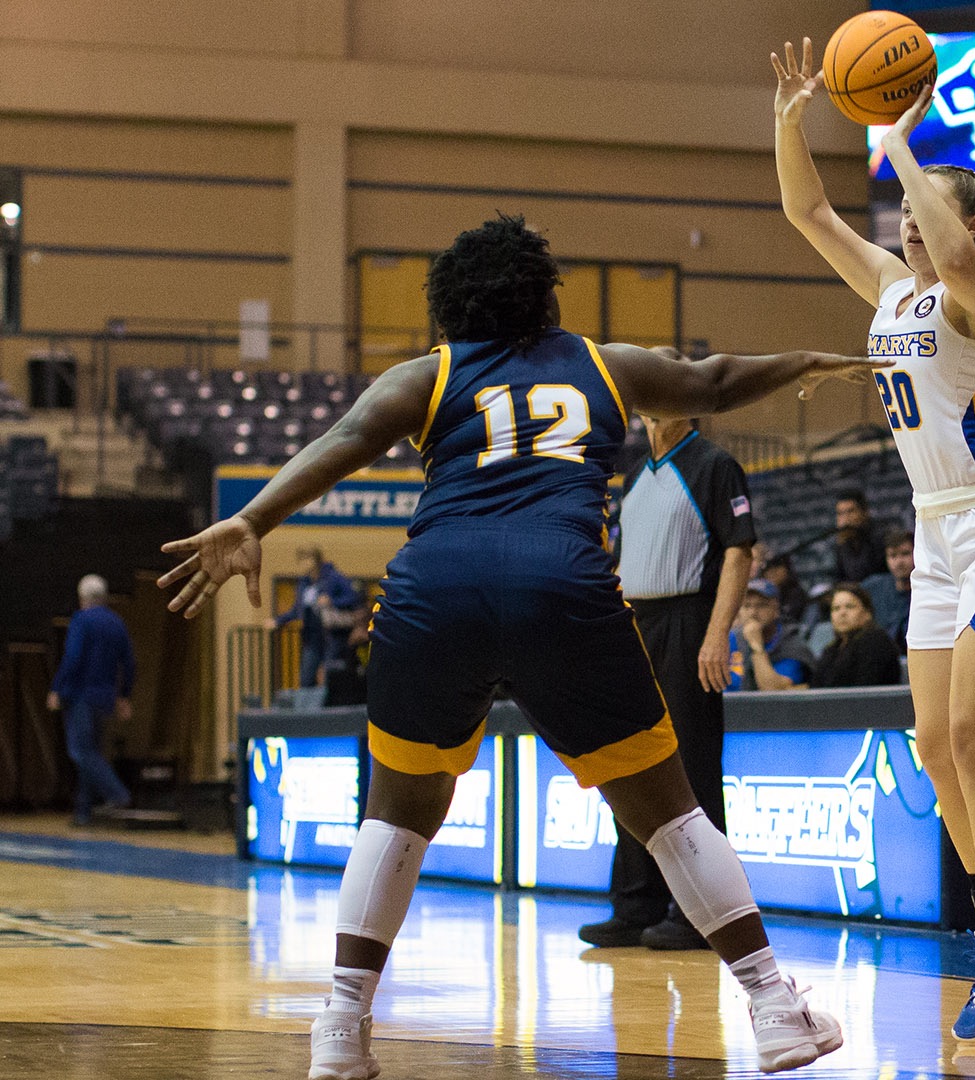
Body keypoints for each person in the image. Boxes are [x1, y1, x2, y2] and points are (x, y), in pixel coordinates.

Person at [157, 214, 868, 1076]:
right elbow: (712, 381)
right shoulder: (607, 363)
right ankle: (773, 1006)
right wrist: (808, 360)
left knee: (395, 816)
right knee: (670, 814)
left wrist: (250, 519)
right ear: (545, 295)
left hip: (434, 590)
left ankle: (340, 1028)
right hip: (560, 584)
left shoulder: (428, 374)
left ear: (449, 306)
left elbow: (341, 444)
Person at [774, 44, 975, 1040]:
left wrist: (897, 139)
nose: (904, 221)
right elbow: (808, 214)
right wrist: (791, 119)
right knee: (935, 748)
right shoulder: (894, 290)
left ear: (972, 226)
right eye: (900, 207)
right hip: (937, 532)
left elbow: (956, 261)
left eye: (924, 209)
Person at [582, 403, 757, 952]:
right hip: (636, 623)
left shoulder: (715, 464)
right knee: (630, 763)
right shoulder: (636, 472)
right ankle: (636, 905)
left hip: (689, 620)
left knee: (693, 769)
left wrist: (717, 633)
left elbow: (739, 553)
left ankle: (701, 913)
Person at [46, 574, 134, 825]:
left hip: (80, 695)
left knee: (80, 751)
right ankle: (83, 812)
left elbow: (73, 657)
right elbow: (129, 662)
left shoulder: (81, 620)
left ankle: (117, 794)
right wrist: (124, 695)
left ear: (82, 597)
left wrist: (57, 688)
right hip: (104, 698)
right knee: (91, 751)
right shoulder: (116, 622)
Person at [274, 545, 361, 687]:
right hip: (311, 637)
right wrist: (279, 621)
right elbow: (297, 609)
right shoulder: (304, 583)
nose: (303, 563)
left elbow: (353, 597)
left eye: (306, 559)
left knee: (329, 676)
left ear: (315, 559)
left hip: (332, 635)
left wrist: (332, 601)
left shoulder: (333, 577)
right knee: (306, 677)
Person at [729, 578, 814, 690]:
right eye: (747, 606)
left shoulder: (792, 645)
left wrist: (756, 646)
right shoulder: (730, 639)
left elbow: (772, 691)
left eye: (761, 605)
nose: (752, 612)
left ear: (776, 610)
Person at [812, 584, 904, 687]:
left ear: (867, 613)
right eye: (836, 608)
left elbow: (865, 688)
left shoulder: (875, 642)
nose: (842, 613)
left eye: (849, 607)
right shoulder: (831, 649)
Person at [861, 528, 915, 646]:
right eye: (893, 555)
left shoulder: (929, 590)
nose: (899, 562)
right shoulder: (872, 587)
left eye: (905, 554)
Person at [831, 490, 888, 583]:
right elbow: (839, 577)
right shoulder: (842, 542)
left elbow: (872, 573)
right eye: (840, 513)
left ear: (864, 512)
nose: (845, 518)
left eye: (850, 511)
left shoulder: (881, 536)